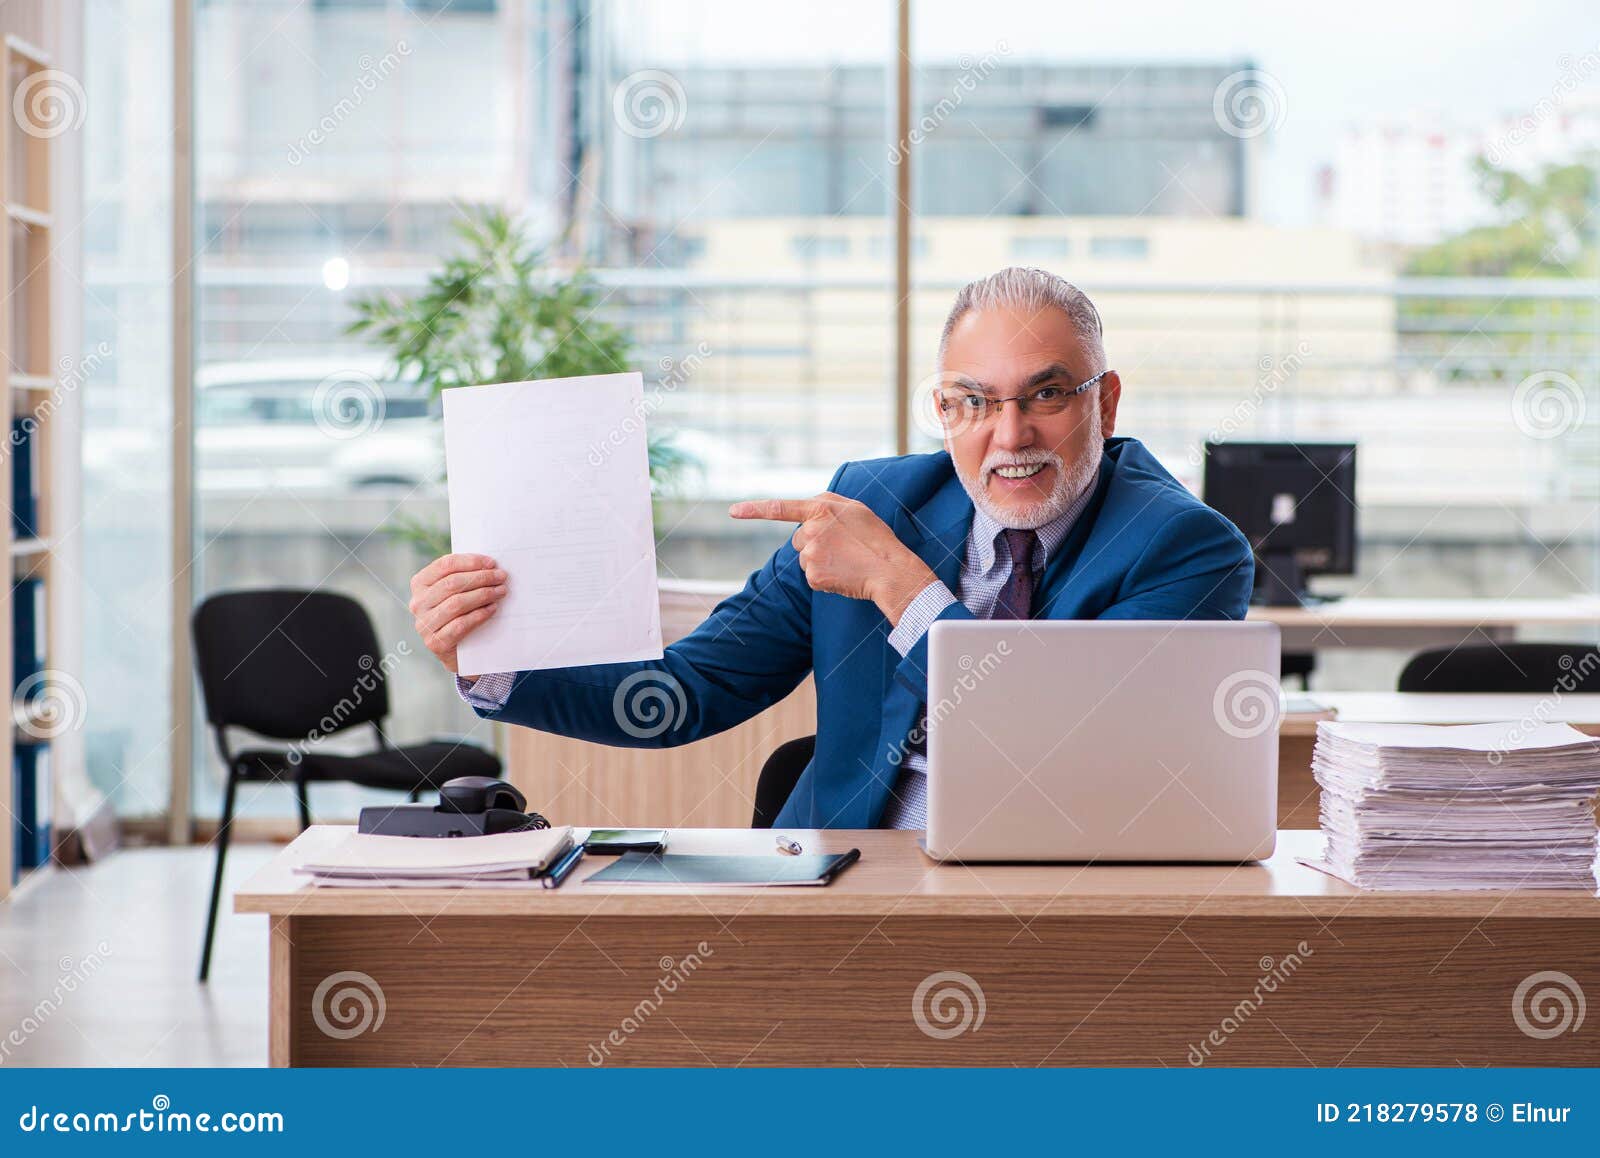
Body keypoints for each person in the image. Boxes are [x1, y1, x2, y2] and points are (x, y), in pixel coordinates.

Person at [409, 267, 1254, 829]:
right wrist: (494, 658)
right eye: (973, 401)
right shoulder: (873, 500)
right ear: (945, 410)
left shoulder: (1186, 548)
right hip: (842, 882)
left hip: (1054, 901)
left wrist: (901, 587)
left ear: (1105, 401)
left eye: (1047, 395)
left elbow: (1057, 747)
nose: (1010, 435)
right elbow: (687, 690)